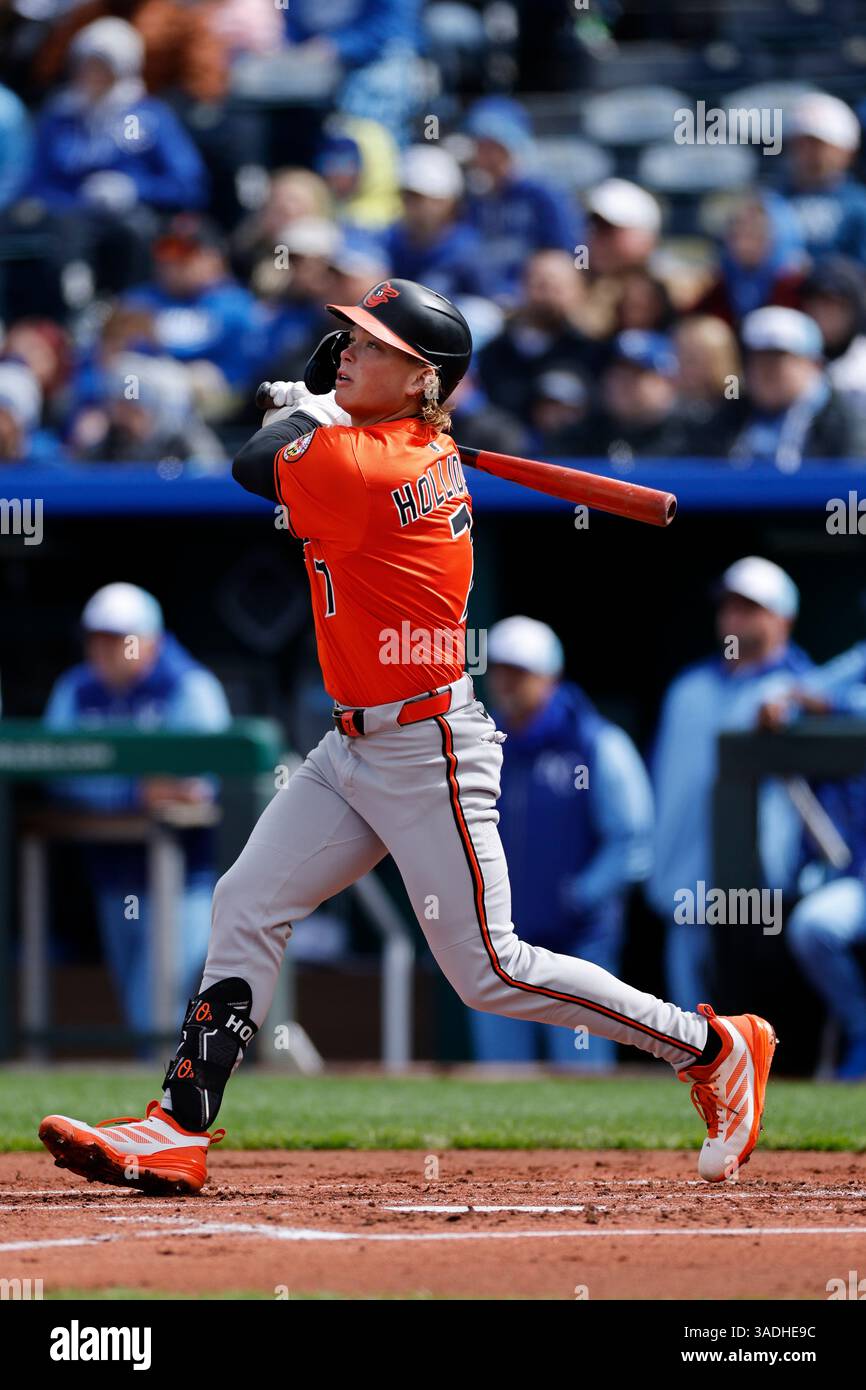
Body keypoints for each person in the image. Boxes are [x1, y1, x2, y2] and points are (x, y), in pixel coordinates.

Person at [39, 277, 777, 1196]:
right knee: (246, 902)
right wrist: (325, 409)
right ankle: (176, 1128)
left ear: (424, 380)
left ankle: (712, 1045)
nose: (346, 350)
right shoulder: (392, 449)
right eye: (346, 338)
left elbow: (251, 466)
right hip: (352, 747)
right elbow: (299, 450)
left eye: (370, 345)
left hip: (427, 748)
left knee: (491, 972)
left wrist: (304, 408)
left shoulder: (374, 468)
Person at [42, 583, 232, 1048]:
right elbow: (54, 769)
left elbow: (198, 784)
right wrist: (130, 788)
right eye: (96, 638)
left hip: (182, 878)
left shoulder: (189, 686)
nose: (102, 650)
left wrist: (121, 788)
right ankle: (157, 1101)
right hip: (112, 876)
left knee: (156, 1005)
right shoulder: (76, 688)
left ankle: (162, 1109)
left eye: (115, 638)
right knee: (136, 1004)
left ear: (148, 639)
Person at [468, 617, 653, 1070]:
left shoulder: (597, 744)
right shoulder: (482, 743)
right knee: (502, 1076)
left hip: (578, 940)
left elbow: (633, 842)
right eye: (500, 671)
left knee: (582, 1076)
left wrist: (578, 895)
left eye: (520, 672)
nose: (507, 683)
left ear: (550, 677)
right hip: (500, 941)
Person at [647, 557, 812, 1011]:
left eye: (750, 608)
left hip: (766, 896)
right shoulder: (687, 689)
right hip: (685, 886)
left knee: (758, 1026)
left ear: (783, 619)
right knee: (686, 1025)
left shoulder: (804, 690)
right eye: (730, 606)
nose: (734, 618)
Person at [759, 644, 866, 1080]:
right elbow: (791, 692)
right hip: (857, 874)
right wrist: (786, 699)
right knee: (814, 926)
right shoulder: (856, 662)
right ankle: (862, 1030)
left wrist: (833, 703)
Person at [462, 97, 577, 305]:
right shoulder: (474, 199)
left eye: (494, 148)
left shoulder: (544, 194)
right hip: (483, 300)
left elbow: (563, 255)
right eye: (481, 147)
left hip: (534, 302)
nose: (486, 157)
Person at [727, 306, 866, 467]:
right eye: (755, 361)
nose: (763, 372)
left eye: (778, 361)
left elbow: (852, 484)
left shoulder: (847, 423)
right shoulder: (730, 416)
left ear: (814, 365)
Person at [781, 92, 866, 265]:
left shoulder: (859, 205)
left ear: (846, 151)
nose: (807, 154)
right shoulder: (770, 202)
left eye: (818, 145)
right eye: (800, 143)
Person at [797, 257, 866, 399]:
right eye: (817, 303)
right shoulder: (785, 355)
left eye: (836, 306)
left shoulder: (862, 365)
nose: (824, 315)